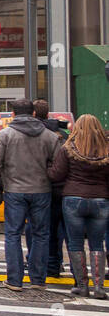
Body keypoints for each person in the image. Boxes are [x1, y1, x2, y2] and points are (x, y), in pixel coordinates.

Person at [0, 98, 62, 291]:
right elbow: (58, 167)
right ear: (34, 113)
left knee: (13, 234)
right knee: (41, 235)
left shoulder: (5, 135)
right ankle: (38, 279)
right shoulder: (50, 136)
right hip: (42, 190)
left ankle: (14, 279)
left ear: (13, 114)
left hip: (15, 190)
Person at [49, 114, 109, 299]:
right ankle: (99, 287)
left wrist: (46, 169)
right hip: (100, 199)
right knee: (97, 244)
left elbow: (56, 175)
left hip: (73, 199)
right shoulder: (107, 149)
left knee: (75, 243)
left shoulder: (68, 148)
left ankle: (82, 285)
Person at [29, 99, 68, 279]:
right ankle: (56, 263)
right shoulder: (61, 134)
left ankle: (42, 263)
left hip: (44, 186)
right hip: (64, 187)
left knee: (41, 228)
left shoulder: (34, 134)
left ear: (34, 114)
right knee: (60, 229)